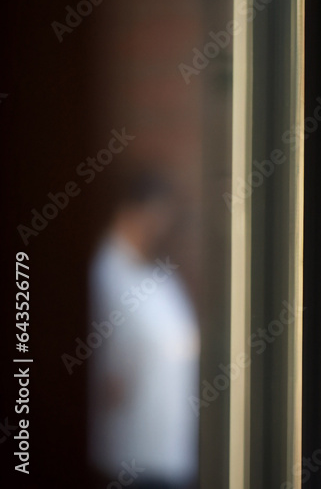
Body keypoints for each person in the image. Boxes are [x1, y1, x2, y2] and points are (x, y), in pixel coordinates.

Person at [88, 171, 200, 489]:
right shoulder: (104, 276)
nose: (160, 228)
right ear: (130, 212)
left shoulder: (159, 280)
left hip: (171, 460)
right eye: (155, 216)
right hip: (128, 462)